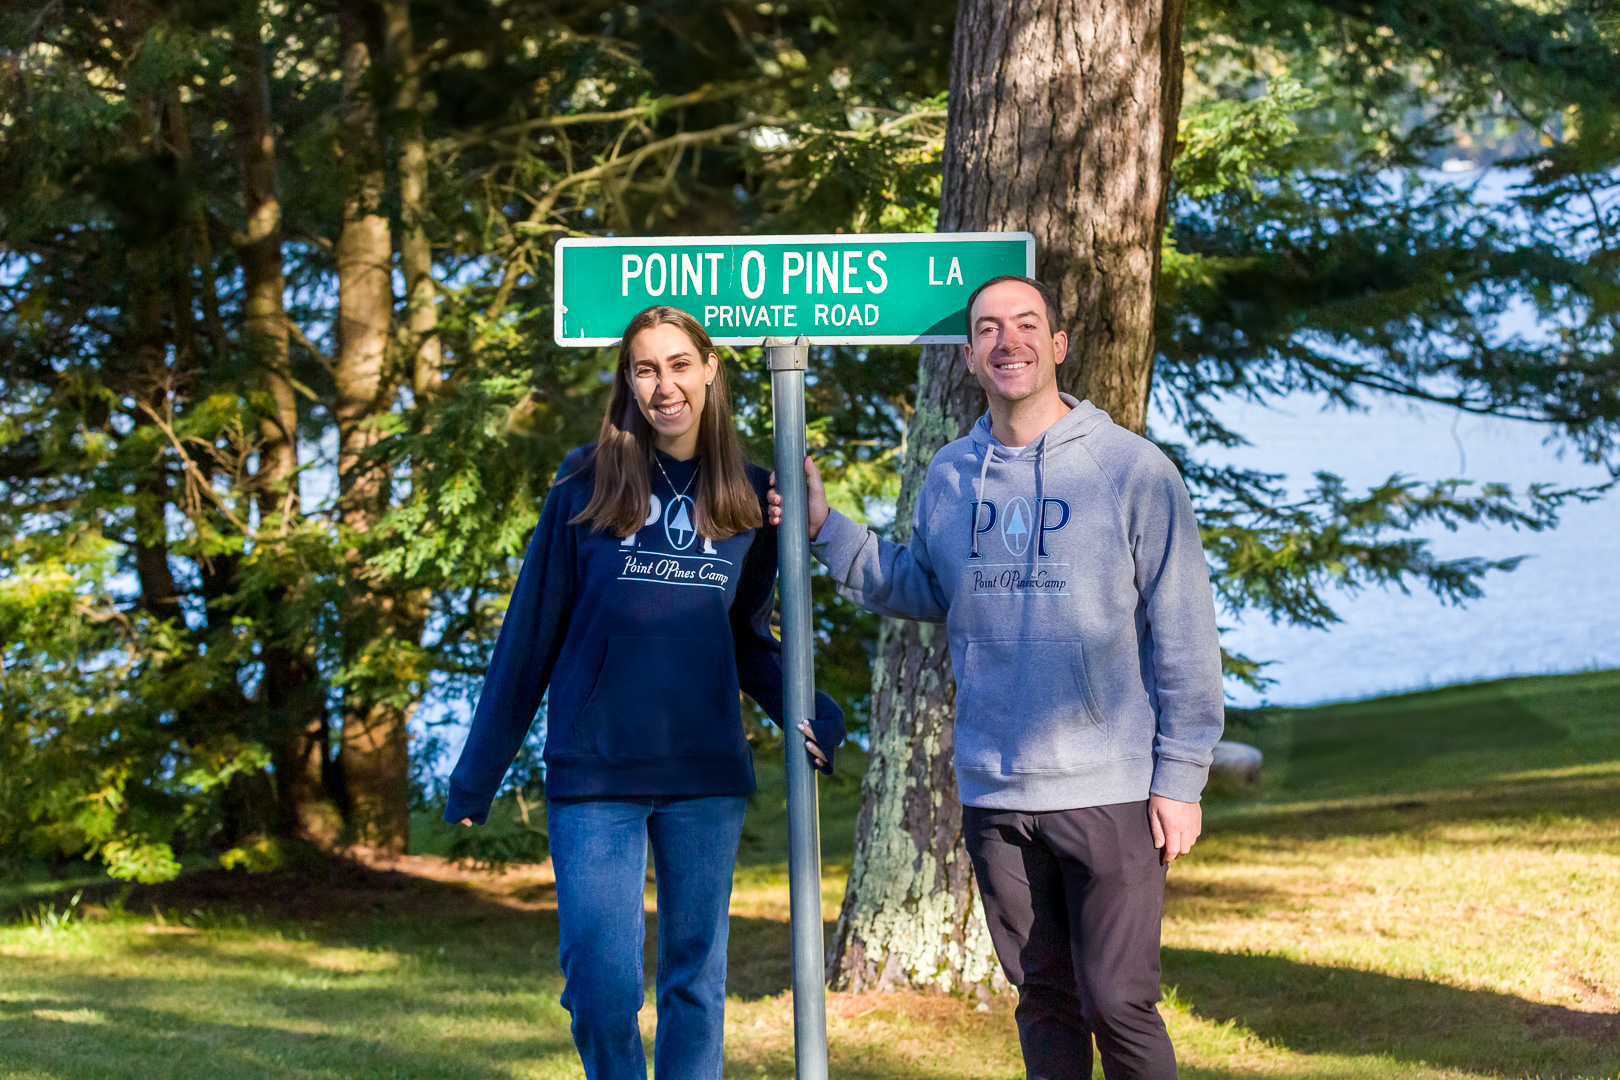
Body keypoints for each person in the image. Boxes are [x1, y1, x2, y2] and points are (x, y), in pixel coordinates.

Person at [769, 275, 1223, 1080]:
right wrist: (824, 529)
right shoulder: (951, 476)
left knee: (1118, 1001)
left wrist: (1181, 777)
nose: (1007, 341)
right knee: (1044, 999)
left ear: (1057, 345)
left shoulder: (1133, 470)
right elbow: (926, 587)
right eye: (987, 329)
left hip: (1109, 789)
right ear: (971, 357)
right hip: (996, 793)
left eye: (1025, 324)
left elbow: (1183, 628)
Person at [447, 305, 844, 1080]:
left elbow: (748, 639)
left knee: (694, 984)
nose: (664, 385)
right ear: (627, 382)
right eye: (644, 369)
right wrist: (477, 771)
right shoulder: (583, 482)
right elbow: (529, 634)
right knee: (600, 990)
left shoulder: (751, 497)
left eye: (678, 365)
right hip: (596, 773)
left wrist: (817, 713)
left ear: (710, 371)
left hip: (704, 776)